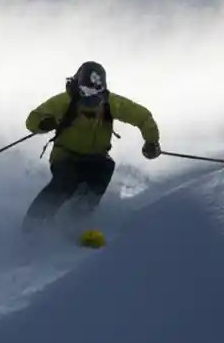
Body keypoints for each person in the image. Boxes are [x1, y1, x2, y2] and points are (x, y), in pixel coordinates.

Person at [23, 61, 160, 230]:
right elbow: (33, 119)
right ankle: (35, 222)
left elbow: (142, 116)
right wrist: (45, 123)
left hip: (96, 156)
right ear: (79, 87)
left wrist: (151, 141)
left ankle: (78, 218)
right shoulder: (66, 101)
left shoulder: (110, 103)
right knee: (66, 180)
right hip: (66, 155)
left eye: (97, 92)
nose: (92, 97)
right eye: (87, 92)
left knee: (105, 169)